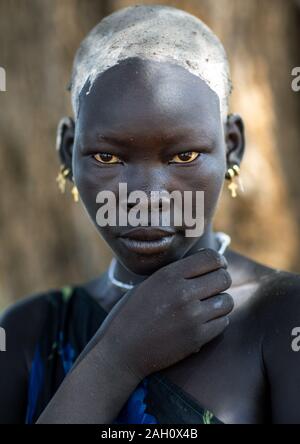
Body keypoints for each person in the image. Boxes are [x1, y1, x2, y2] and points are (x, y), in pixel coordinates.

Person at [1, 4, 300, 424]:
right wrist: (115, 360)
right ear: (66, 150)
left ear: (232, 145)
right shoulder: (28, 332)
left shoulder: (283, 317)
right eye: (107, 156)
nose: (145, 197)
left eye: (185, 155)